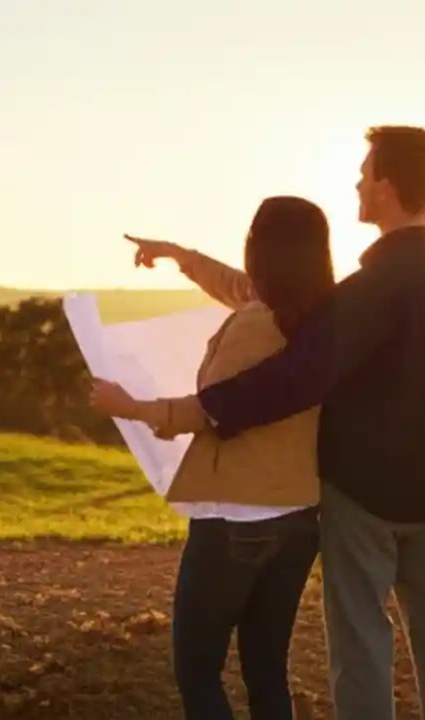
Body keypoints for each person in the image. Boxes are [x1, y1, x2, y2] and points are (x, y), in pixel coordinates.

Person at [114, 125, 425, 720]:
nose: (357, 184)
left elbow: (294, 377)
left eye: (366, 173)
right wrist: (185, 258)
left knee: (362, 642)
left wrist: (201, 409)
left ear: (387, 187)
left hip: (363, 498)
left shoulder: (370, 290)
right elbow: (262, 295)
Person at [90, 195, 335, 719]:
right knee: (267, 671)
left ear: (259, 247)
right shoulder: (321, 316)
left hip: (234, 521)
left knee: (198, 671)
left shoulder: (256, 325)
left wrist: (131, 407)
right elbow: (240, 289)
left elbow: (216, 407)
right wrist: (181, 255)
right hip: (298, 516)